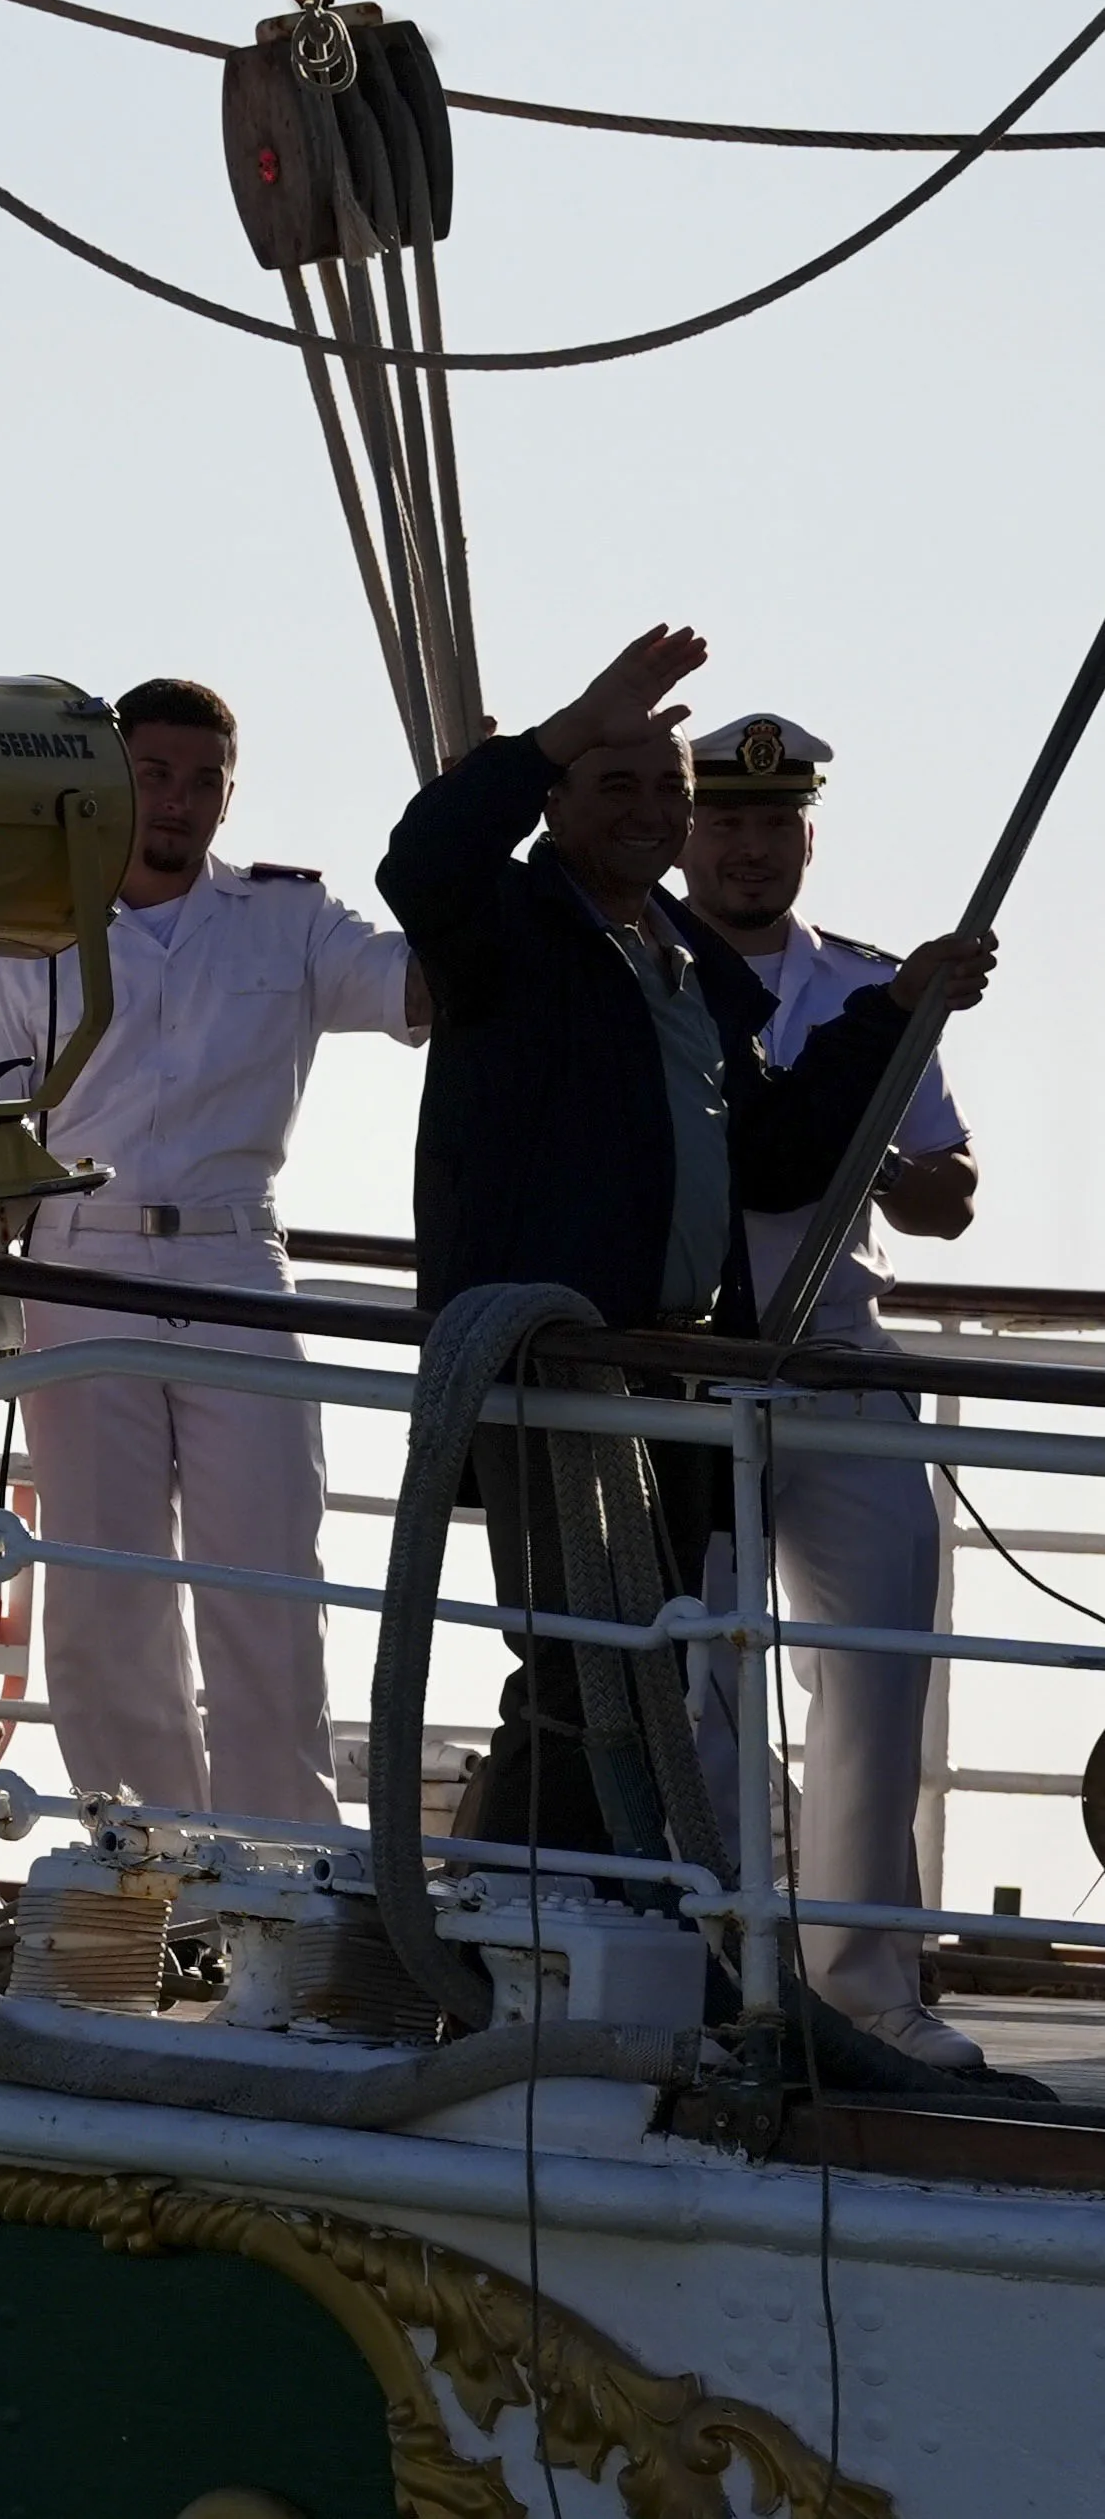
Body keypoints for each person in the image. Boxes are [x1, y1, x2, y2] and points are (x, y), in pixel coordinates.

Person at [375, 627, 993, 1872]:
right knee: (574, 1670)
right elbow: (424, 859)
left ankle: (601, 1960)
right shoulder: (509, 928)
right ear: (553, 806)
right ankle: (503, 1972)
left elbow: (768, 1153)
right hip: (553, 1365)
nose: (656, 811)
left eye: (670, 788)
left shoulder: (681, 961)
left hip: (660, 1375)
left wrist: (888, 1010)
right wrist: (559, 728)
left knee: (627, 1664)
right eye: (618, 784)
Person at [0, 679, 425, 1824]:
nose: (179, 801)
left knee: (265, 1579)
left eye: (204, 780)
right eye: (153, 773)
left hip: (234, 1263)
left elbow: (419, 988)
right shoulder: (26, 925)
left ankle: (282, 1871)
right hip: (76, 1267)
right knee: (105, 1592)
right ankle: (142, 1869)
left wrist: (469, 846)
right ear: (108, 777)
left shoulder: (286, 920)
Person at [673, 713, 983, 2068]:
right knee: (702, 1681)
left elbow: (949, 1199)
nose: (748, 848)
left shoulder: (869, 984)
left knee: (878, 1666)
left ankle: (866, 1983)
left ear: (806, 835)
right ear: (687, 835)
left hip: (840, 1359)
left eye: (771, 825)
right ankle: (708, 1971)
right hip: (694, 1360)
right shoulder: (653, 976)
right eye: (724, 823)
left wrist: (892, 1175)